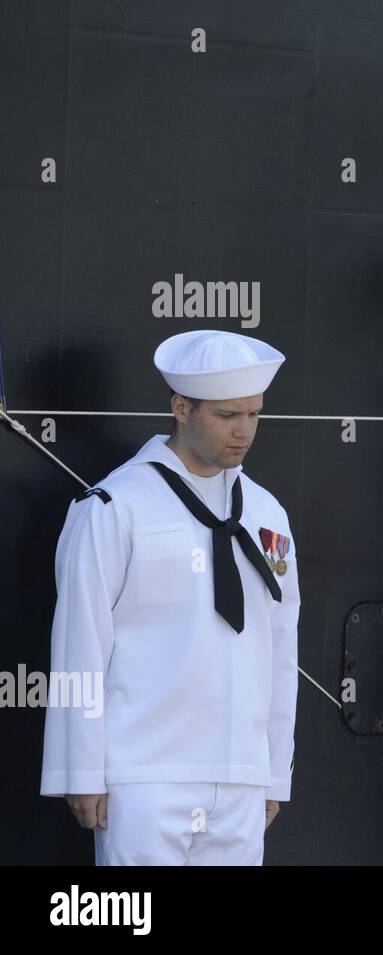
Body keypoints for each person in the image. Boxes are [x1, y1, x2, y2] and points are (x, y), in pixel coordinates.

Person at [39, 330, 300, 865]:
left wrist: (272, 772)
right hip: (143, 776)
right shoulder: (116, 506)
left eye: (254, 414)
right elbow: (79, 646)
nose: (244, 431)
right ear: (180, 407)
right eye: (227, 414)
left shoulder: (267, 514)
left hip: (239, 778)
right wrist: (79, 769)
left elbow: (280, 650)